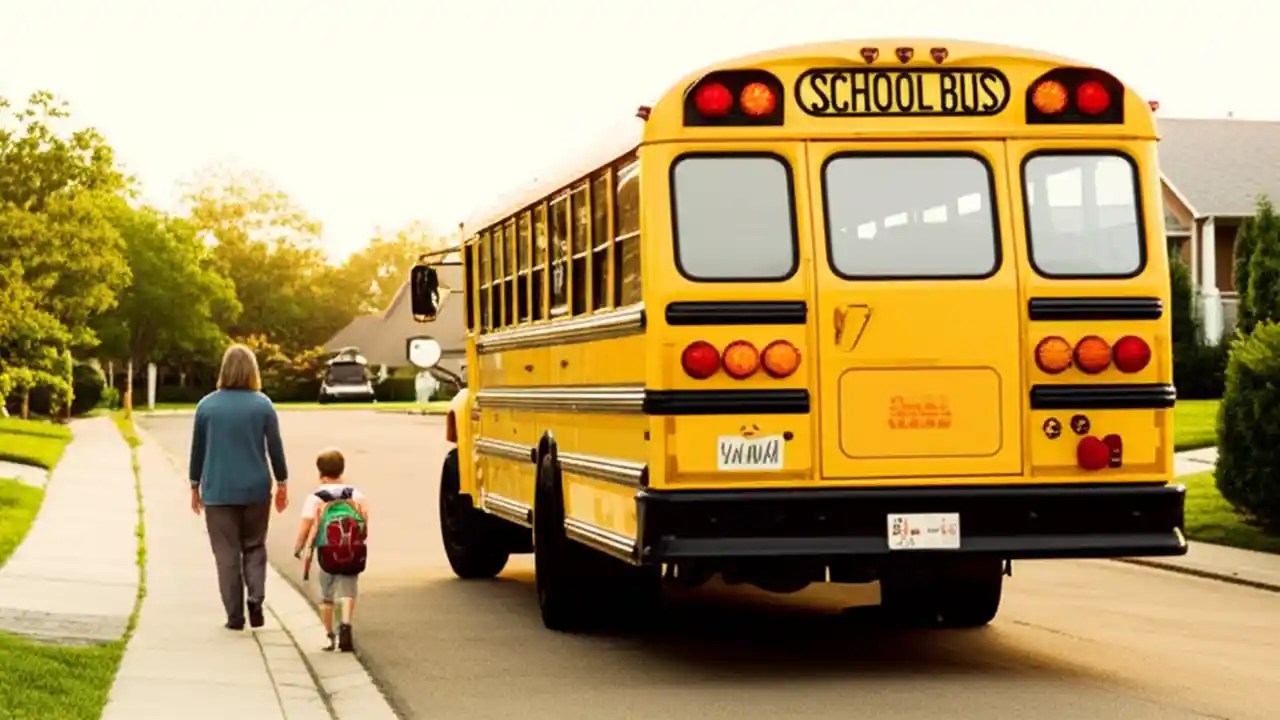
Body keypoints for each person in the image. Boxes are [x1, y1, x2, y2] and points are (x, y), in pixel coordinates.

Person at [188, 344, 290, 631]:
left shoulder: (206, 406)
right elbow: (275, 449)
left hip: (219, 491)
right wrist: (282, 481)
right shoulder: (263, 405)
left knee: (226, 554)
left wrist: (194, 485)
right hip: (256, 489)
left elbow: (198, 451)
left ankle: (235, 617)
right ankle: (256, 597)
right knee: (255, 546)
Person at [293, 448, 368, 652]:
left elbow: (305, 527)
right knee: (348, 588)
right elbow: (364, 523)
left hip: (327, 551)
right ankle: (345, 625)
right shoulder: (355, 495)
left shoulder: (316, 498)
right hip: (352, 550)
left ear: (320, 472)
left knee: (327, 594)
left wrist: (299, 548)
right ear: (342, 469)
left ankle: (330, 636)